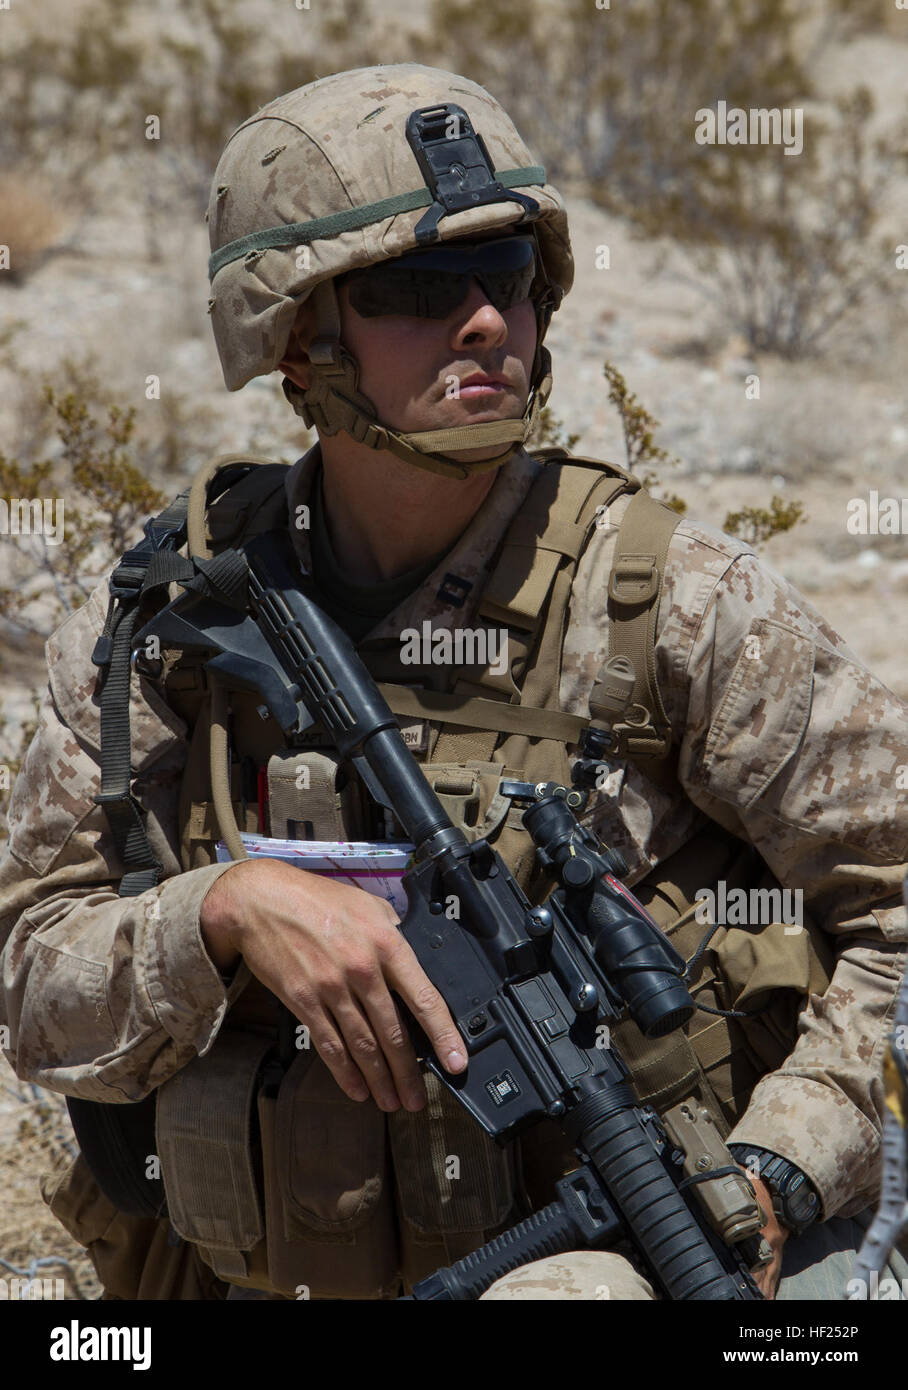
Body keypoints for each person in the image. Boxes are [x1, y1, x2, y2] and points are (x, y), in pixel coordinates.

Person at [1, 63, 906, 1303]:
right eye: (420, 289)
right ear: (296, 338)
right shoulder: (173, 624)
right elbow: (33, 984)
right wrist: (221, 913)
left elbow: (895, 905)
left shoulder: (670, 604)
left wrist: (781, 1165)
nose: (485, 322)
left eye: (511, 277)